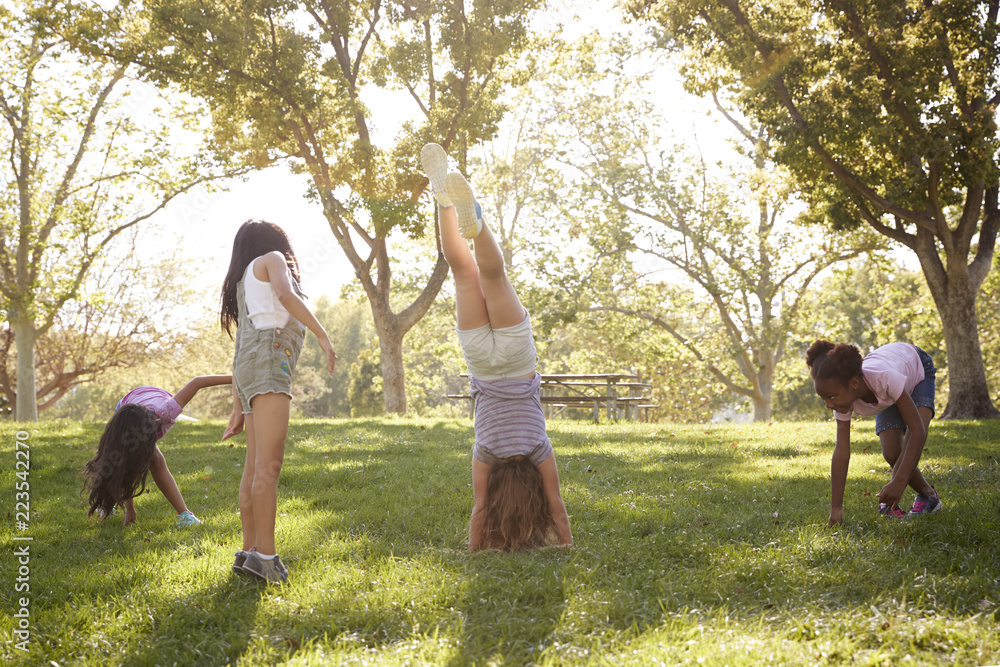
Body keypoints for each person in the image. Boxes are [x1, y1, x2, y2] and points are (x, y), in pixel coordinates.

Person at [420, 143, 573, 551]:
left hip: (517, 361)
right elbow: (479, 509)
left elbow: (557, 505)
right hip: (483, 366)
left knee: (493, 273)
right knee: (462, 272)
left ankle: (477, 225)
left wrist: (569, 544)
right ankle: (444, 203)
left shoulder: (539, 449)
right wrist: (473, 552)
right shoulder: (486, 453)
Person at [219, 220, 337, 584]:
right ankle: (267, 559)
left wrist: (238, 406)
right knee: (269, 467)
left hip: (251, 371)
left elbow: (240, 350)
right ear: (275, 242)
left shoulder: (243, 284)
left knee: (255, 467)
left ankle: (250, 551)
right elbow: (288, 297)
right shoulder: (272, 259)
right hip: (270, 365)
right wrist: (322, 334)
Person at [806, 340, 942, 524]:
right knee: (892, 452)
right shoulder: (842, 396)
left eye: (830, 397)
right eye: (824, 399)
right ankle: (928, 495)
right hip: (890, 388)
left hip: (917, 369)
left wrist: (899, 482)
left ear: (854, 383)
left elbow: (918, 431)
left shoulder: (884, 378)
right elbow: (841, 452)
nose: (828, 405)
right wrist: (836, 508)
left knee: (912, 437)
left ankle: (907, 499)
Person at [84, 377, 233, 527]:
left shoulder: (167, 411)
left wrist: (235, 378)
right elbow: (127, 467)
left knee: (157, 461)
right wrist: (130, 510)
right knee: (118, 460)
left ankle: (186, 516)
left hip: (149, 401)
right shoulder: (126, 430)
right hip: (125, 410)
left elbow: (197, 382)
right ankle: (106, 504)